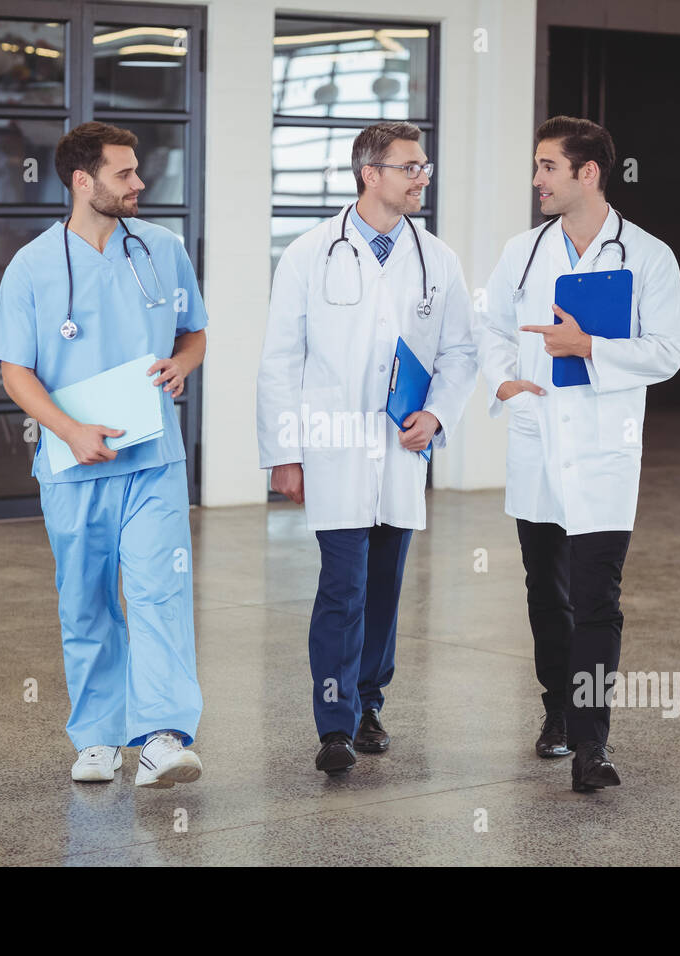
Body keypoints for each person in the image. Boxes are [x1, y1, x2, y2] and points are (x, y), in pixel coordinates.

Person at [0, 122, 208, 788]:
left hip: (154, 459)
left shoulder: (162, 249)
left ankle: (164, 736)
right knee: (85, 602)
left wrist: (183, 364)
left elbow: (194, 332)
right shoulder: (33, 265)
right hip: (75, 463)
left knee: (159, 593)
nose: (140, 183)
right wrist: (71, 429)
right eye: (124, 174)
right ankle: (99, 739)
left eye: (137, 171)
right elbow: (15, 371)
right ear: (84, 182)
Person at [257, 121, 478, 775]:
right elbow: (279, 360)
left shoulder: (438, 259)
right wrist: (283, 452)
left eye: (425, 167)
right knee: (342, 588)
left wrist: (437, 415)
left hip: (403, 447)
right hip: (333, 449)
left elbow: (463, 352)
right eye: (410, 167)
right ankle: (334, 722)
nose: (422, 179)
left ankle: (369, 703)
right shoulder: (307, 253)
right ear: (370, 173)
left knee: (385, 587)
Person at [477, 116, 680, 793]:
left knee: (598, 599)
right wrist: (503, 379)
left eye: (547, 167)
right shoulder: (524, 251)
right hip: (538, 440)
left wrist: (590, 348)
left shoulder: (647, 256)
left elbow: (668, 351)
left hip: (604, 450)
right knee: (548, 593)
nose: (536, 179)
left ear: (587, 172)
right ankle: (557, 712)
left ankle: (592, 743)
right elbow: (490, 325)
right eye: (536, 166)